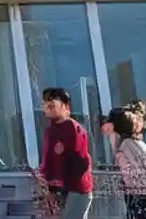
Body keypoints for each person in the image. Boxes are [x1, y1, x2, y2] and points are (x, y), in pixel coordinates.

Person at [38, 88, 93, 219]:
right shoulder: (51, 131)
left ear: (65, 106)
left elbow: (82, 160)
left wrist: (61, 178)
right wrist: (45, 177)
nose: (47, 108)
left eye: (51, 104)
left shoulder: (74, 128)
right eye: (45, 105)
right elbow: (48, 159)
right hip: (58, 188)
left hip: (76, 188)